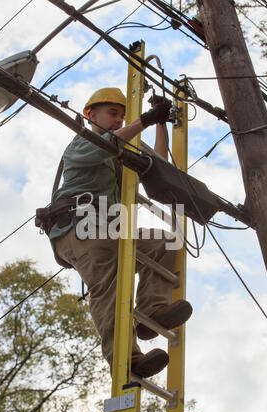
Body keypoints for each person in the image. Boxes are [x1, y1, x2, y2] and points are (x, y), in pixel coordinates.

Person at [49, 88, 192, 378]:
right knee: (109, 288)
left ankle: (152, 311)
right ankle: (127, 360)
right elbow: (107, 145)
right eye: (113, 113)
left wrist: (160, 122)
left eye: (121, 116)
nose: (118, 120)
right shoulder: (80, 144)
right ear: (91, 115)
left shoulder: (122, 153)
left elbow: (157, 160)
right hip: (80, 228)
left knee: (166, 243)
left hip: (112, 229)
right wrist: (145, 119)